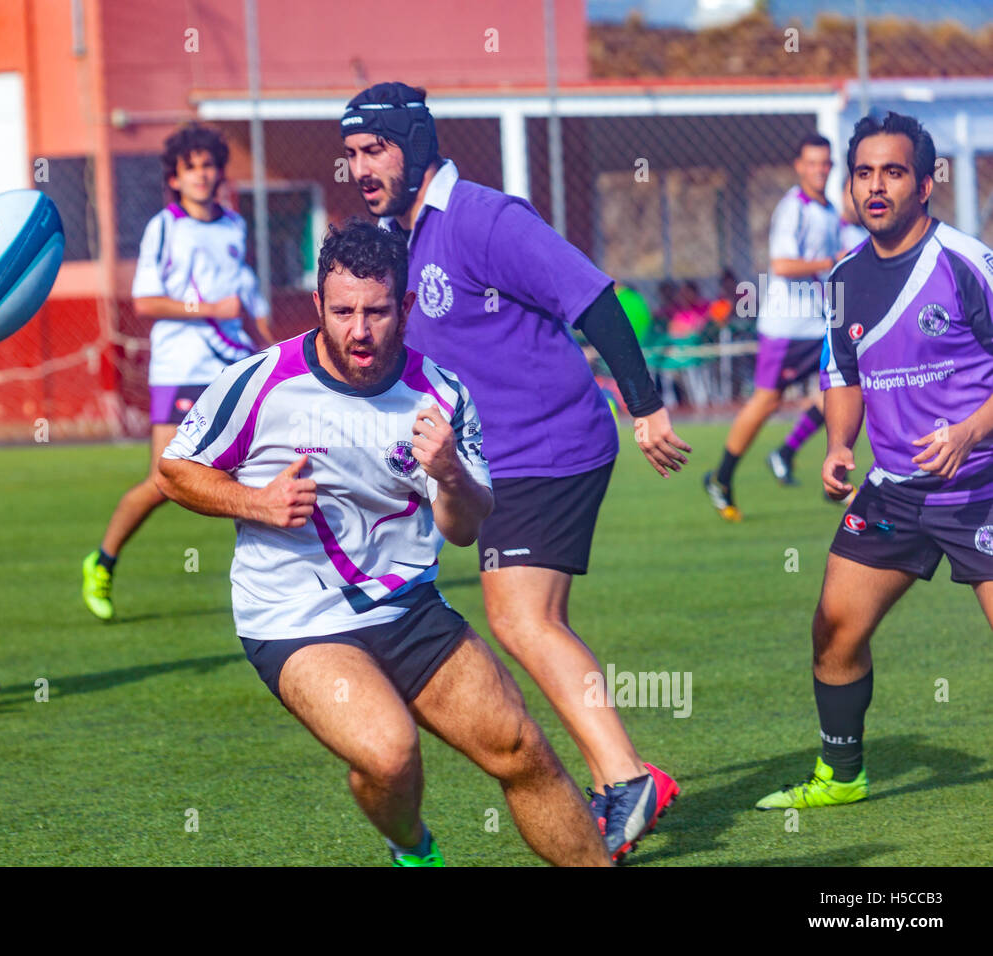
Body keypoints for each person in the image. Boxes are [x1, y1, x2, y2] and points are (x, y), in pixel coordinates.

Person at [156, 219, 609, 866]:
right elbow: (175, 470)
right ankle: (413, 849)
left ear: (405, 308)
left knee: (520, 748)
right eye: (342, 312)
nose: (359, 330)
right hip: (295, 620)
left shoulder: (440, 394)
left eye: (375, 312)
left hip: (407, 608)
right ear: (318, 306)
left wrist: (450, 472)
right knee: (391, 752)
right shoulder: (261, 381)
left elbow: (463, 529)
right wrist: (253, 501)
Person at [341, 82, 690, 862]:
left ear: (417, 146)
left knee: (523, 619)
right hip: (498, 458)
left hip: (553, 446)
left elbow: (593, 298)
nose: (362, 168)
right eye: (353, 155)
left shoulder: (485, 219)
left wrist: (647, 405)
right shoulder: (400, 237)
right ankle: (626, 777)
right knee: (526, 619)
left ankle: (628, 780)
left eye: (377, 150)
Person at [756, 112, 993, 809]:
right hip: (892, 495)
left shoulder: (966, 263)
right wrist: (836, 445)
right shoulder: (843, 278)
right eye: (864, 173)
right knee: (833, 630)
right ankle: (842, 775)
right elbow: (842, 375)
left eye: (893, 172)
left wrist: (971, 431)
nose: (876, 186)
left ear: (925, 183)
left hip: (981, 487)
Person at [81, 124, 271, 620]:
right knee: (166, 480)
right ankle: (102, 561)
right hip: (180, 368)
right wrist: (208, 308)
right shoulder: (163, 227)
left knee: (263, 464)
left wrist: (270, 349)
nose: (202, 176)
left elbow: (243, 301)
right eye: (191, 168)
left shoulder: (233, 226)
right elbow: (145, 300)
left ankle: (281, 578)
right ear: (175, 178)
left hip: (233, 365)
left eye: (209, 166)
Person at [705, 134, 842, 513]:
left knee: (843, 388)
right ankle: (721, 476)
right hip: (788, 326)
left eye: (825, 162)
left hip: (819, 322)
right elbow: (781, 266)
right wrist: (831, 260)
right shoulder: (792, 210)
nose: (820, 169)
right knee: (767, 401)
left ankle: (789, 452)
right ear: (799, 166)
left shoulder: (828, 210)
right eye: (812, 162)